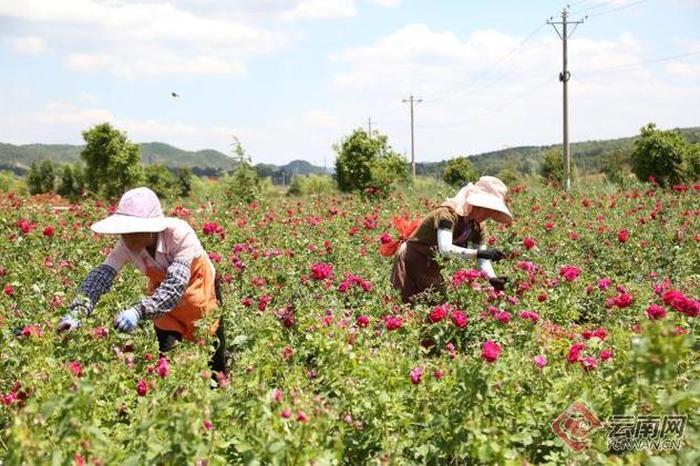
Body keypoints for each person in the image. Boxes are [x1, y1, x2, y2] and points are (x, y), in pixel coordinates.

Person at [57, 187, 226, 375]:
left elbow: (175, 286)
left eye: (134, 231)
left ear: (151, 229)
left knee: (215, 357)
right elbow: (101, 276)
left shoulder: (179, 234)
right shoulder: (125, 246)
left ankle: (219, 393)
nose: (127, 238)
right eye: (124, 231)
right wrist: (78, 312)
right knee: (167, 358)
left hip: (199, 291)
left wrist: (138, 312)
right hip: (161, 301)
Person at [391, 176, 513, 304]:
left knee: (438, 305)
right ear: (476, 204)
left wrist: (492, 278)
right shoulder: (447, 214)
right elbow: (445, 249)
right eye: (488, 209)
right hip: (411, 259)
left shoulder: (477, 227)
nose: (489, 215)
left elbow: (482, 259)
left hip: (433, 265)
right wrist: (476, 253)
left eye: (493, 211)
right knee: (403, 305)